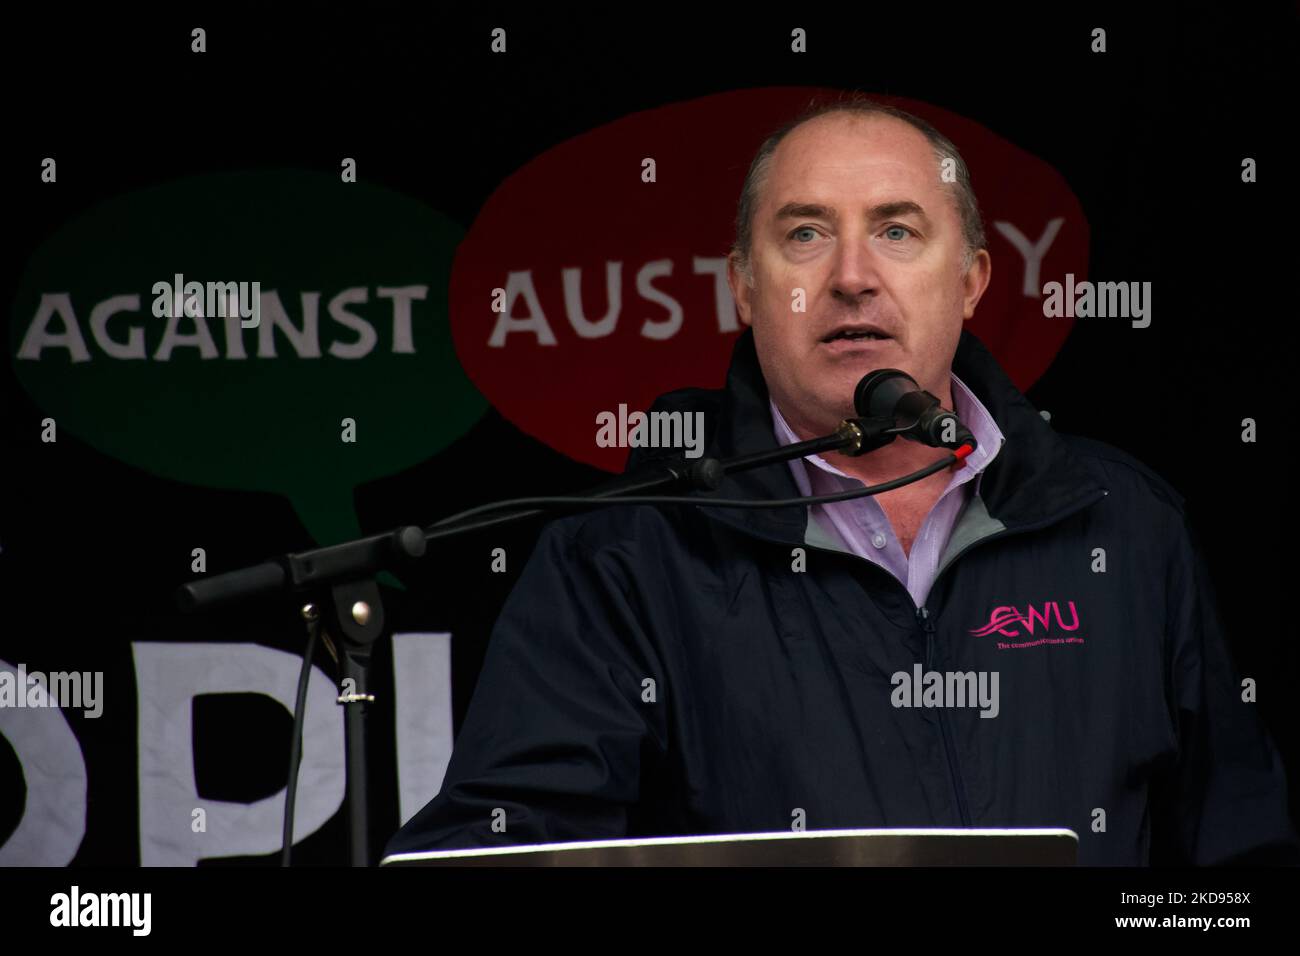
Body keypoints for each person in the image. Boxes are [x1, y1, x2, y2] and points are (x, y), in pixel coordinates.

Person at [385, 97, 1299, 865]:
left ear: (972, 280)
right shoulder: (621, 552)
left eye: (898, 230)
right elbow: (498, 846)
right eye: (807, 234)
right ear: (745, 286)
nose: (853, 277)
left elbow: (1233, 855)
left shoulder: (1127, 525)